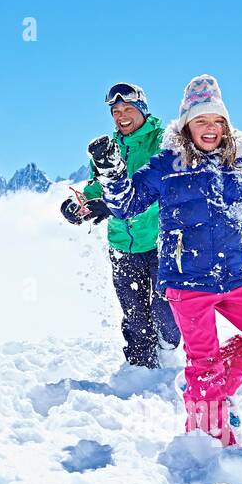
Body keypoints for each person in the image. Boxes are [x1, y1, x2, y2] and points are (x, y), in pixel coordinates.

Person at [89, 74, 242, 445]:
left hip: (236, 278)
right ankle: (212, 447)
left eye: (217, 121)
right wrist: (112, 174)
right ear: (186, 126)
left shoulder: (240, 163)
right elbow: (128, 204)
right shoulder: (166, 164)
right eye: (201, 121)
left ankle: (206, 391)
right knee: (203, 367)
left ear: (226, 125)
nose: (210, 129)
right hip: (186, 281)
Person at [62, 82, 181, 369]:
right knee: (135, 316)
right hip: (122, 245)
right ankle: (139, 372)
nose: (121, 115)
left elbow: (166, 188)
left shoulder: (163, 141)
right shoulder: (108, 149)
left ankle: (168, 355)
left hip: (160, 240)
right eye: (116, 111)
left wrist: (115, 203)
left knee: (165, 310)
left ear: (142, 109)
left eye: (127, 108)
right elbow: (95, 187)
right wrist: (78, 205)